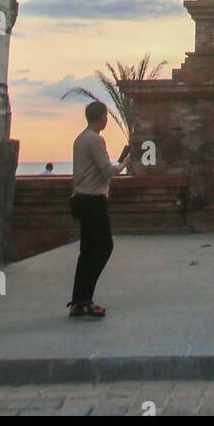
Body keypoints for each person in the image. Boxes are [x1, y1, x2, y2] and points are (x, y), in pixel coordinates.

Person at [67, 101, 126, 318]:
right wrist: (125, 162)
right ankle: (85, 299)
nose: (106, 120)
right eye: (106, 116)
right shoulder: (95, 139)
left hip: (81, 199)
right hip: (93, 201)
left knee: (87, 251)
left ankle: (78, 301)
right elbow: (107, 171)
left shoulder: (80, 139)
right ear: (101, 117)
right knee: (103, 247)